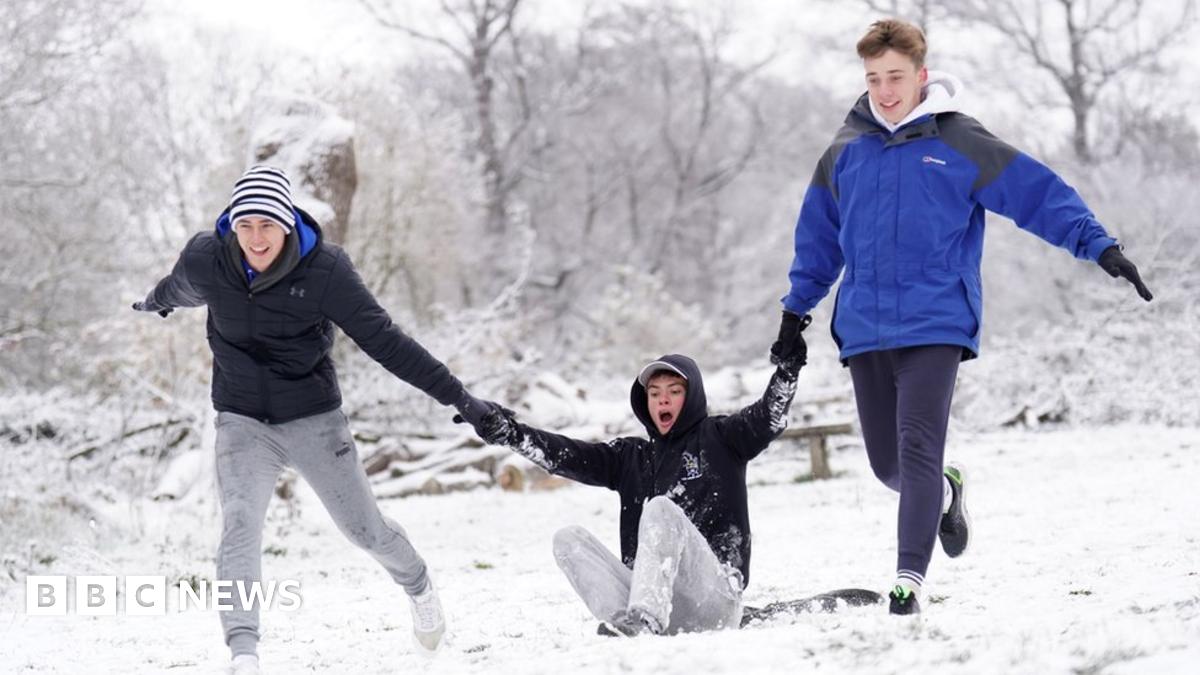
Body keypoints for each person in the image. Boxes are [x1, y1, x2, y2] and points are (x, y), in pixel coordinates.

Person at [778, 19, 1153, 615]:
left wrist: (1099, 246)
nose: (885, 89)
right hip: (865, 325)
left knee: (918, 447)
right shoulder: (844, 154)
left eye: (896, 76)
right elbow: (819, 243)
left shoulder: (959, 142)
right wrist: (795, 314)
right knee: (889, 467)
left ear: (921, 75)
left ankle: (909, 579)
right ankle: (946, 490)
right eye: (874, 78)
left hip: (937, 320)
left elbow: (1038, 194)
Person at [132, 165, 496, 673]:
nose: (256, 238)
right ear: (232, 226)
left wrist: (462, 399)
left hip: (313, 419)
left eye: (266, 225)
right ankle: (244, 652)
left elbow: (386, 343)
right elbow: (180, 288)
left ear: (285, 224)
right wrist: (154, 302)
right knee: (239, 523)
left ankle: (418, 584)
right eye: (245, 226)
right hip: (240, 420)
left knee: (364, 531)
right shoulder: (207, 258)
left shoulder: (326, 271)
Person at [461, 326, 809, 636]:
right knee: (568, 540)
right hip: (655, 604)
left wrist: (787, 371)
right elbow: (565, 455)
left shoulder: (721, 437)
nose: (663, 399)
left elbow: (768, 417)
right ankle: (625, 624)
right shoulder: (631, 457)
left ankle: (644, 619)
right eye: (655, 393)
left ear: (692, 398)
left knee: (660, 509)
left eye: (674, 391)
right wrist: (510, 434)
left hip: (714, 600)